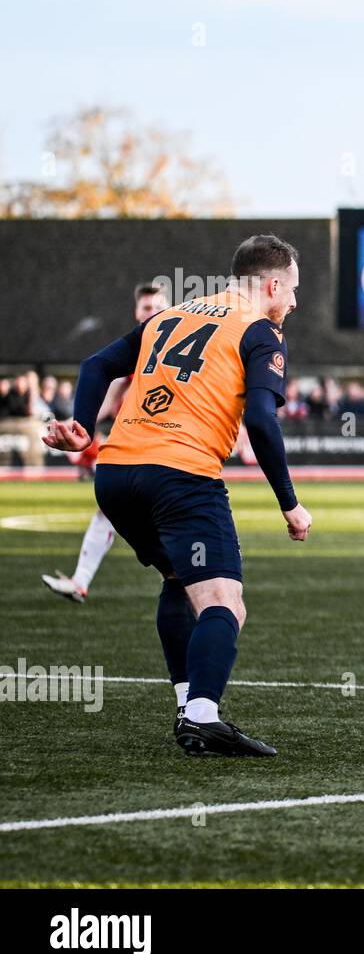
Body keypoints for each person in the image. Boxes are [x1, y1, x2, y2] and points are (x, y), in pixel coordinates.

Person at [42, 235, 312, 757]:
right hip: (180, 475)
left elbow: (96, 364)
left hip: (115, 474)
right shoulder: (260, 331)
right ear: (273, 284)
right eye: (294, 290)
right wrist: (289, 502)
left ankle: (188, 703)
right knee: (225, 603)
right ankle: (203, 718)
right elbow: (260, 418)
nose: (295, 302)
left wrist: (80, 423)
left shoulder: (169, 316)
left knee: (176, 577)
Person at [42, 284, 168, 602]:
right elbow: (107, 401)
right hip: (137, 446)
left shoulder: (172, 351)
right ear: (136, 312)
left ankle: (158, 555)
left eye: (156, 307)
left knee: (140, 513)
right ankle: (83, 580)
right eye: (145, 308)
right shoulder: (132, 353)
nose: (150, 313)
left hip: (170, 448)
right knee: (110, 508)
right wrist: (79, 431)